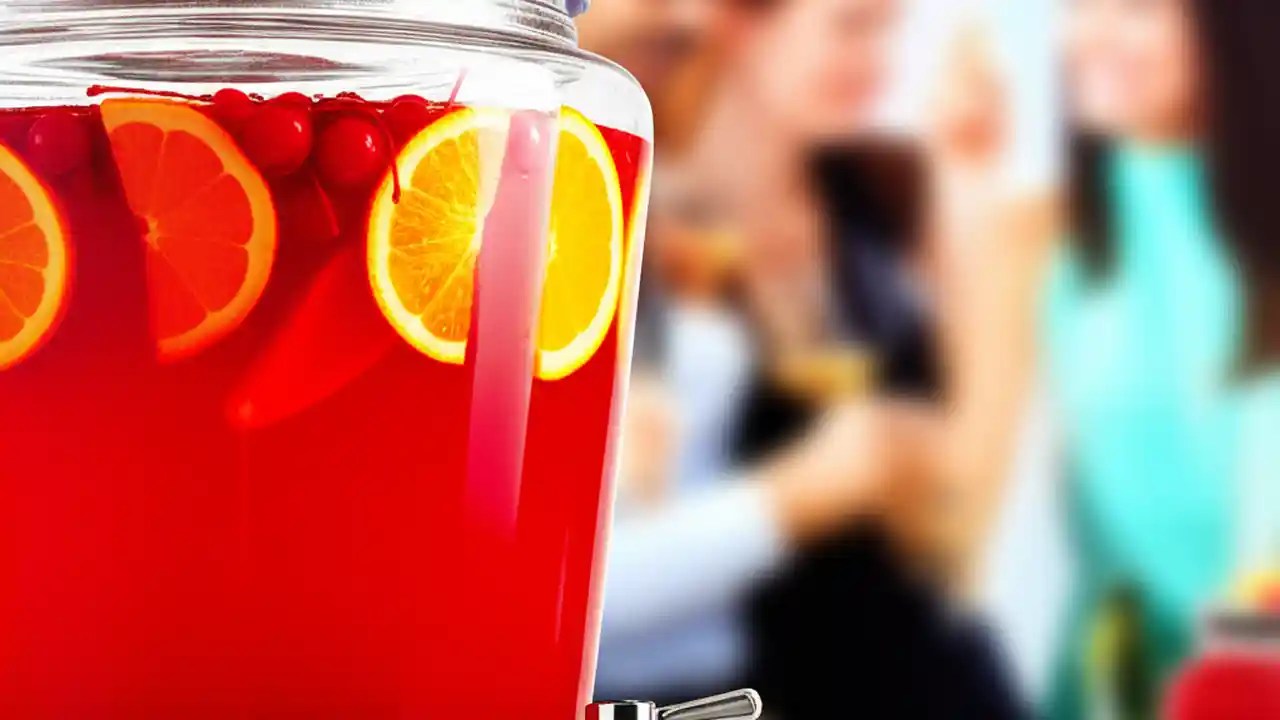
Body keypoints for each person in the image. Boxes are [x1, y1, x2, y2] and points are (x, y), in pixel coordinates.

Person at [598, 0, 1027, 716]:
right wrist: (814, 487)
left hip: (932, 680)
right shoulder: (646, 235)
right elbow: (601, 588)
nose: (877, 65)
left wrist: (969, 195)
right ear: (736, 26)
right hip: (761, 689)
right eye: (852, 27)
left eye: (887, 33)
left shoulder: (888, 193)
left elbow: (960, 521)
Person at [906, 0, 1280, 716]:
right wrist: (958, 182)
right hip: (1116, 690)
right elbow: (958, 523)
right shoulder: (1036, 239)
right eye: (1078, 7)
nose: (1090, 38)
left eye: (1135, 10)